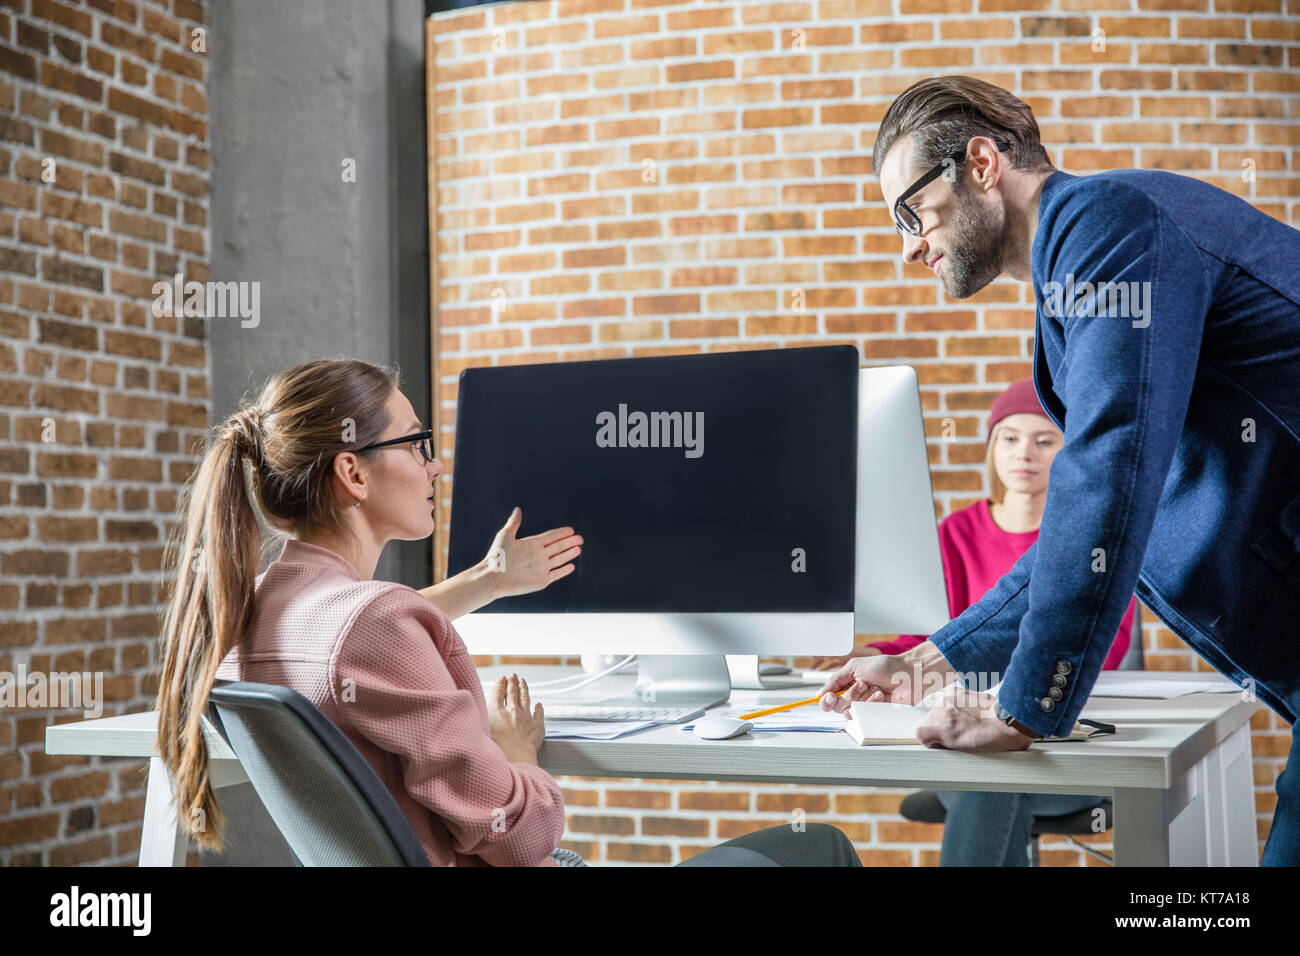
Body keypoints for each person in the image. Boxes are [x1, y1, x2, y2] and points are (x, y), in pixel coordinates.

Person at [819, 75, 1300, 866]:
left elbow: (1108, 468)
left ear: (980, 164)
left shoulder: (1109, 223)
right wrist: (921, 662)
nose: (909, 245)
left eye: (910, 211)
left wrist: (1026, 707)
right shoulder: (1081, 268)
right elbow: (1096, 518)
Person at [155, 357, 860, 867]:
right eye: (416, 444)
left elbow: (351, 635)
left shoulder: (252, 618)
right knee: (820, 847)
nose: (434, 467)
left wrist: (489, 579)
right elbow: (522, 838)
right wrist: (516, 756)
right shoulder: (374, 627)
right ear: (353, 472)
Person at [814, 377, 1136, 864]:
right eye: (1009, 438)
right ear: (991, 448)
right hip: (961, 728)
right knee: (986, 778)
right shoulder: (956, 533)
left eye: (1044, 440)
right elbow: (926, 635)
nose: (1023, 453)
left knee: (985, 783)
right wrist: (876, 655)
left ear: (1070, 452)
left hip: (1059, 749)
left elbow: (1100, 643)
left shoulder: (1093, 540)